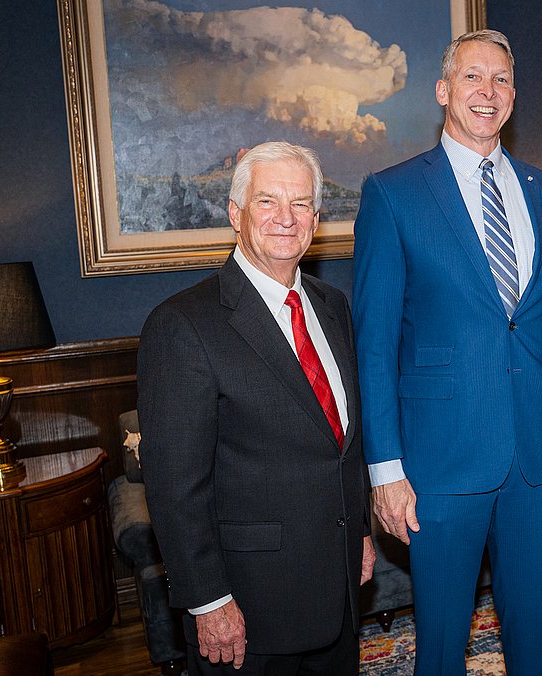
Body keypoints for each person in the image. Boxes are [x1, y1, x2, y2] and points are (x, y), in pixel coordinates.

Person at [351, 29, 542, 674]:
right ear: (443, 92)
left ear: (514, 94)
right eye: (473, 78)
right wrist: (385, 469)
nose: (488, 92)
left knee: (537, 632)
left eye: (502, 79)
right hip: (439, 459)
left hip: (536, 450)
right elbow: (372, 347)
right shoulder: (393, 193)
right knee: (442, 643)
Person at [138, 141, 374, 674]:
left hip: (335, 591)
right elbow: (175, 483)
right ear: (235, 214)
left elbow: (342, 442)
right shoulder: (184, 325)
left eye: (300, 205)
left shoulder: (332, 306)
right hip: (249, 608)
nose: (286, 219)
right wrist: (208, 600)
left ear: (316, 218)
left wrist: (358, 530)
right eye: (268, 202)